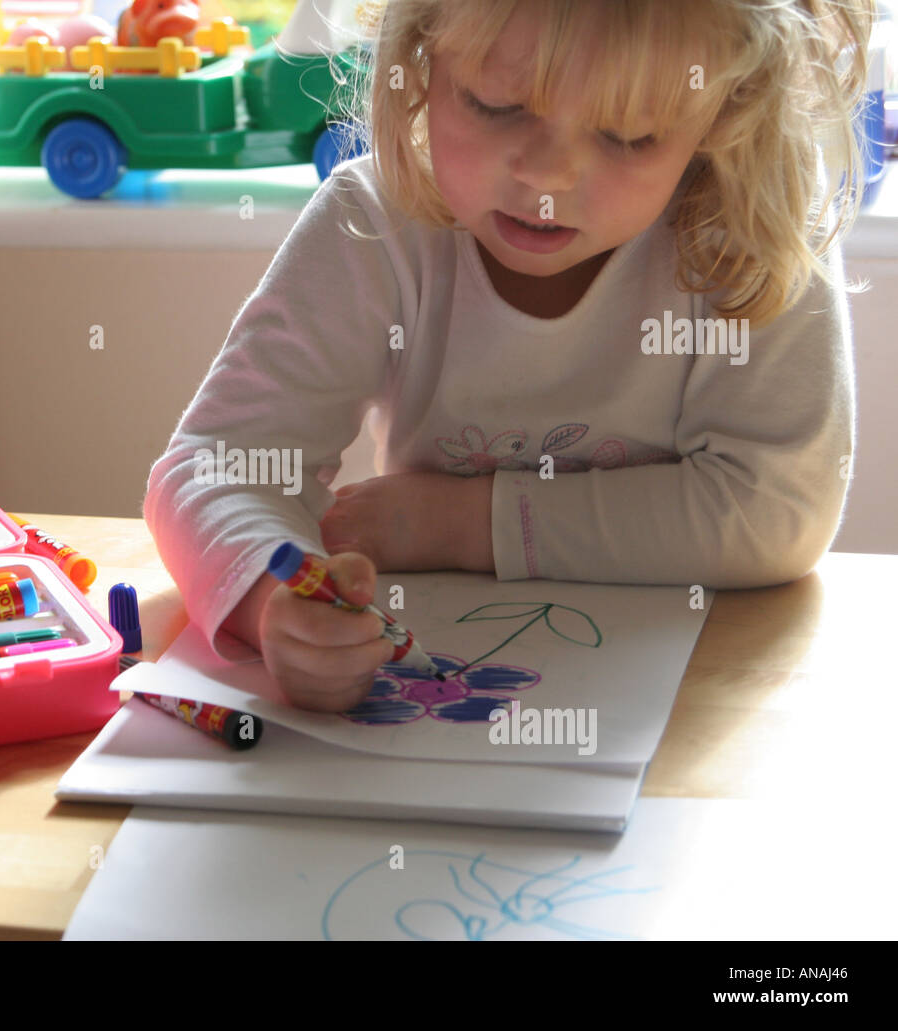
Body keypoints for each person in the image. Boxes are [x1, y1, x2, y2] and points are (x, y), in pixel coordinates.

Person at [144, 0, 874, 712]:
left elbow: (777, 511)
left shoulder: (754, 233)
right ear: (420, 59)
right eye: (496, 104)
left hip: (699, 710)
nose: (548, 177)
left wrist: (462, 523)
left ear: (723, 114)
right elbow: (215, 464)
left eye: (628, 134)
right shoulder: (374, 227)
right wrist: (275, 606)